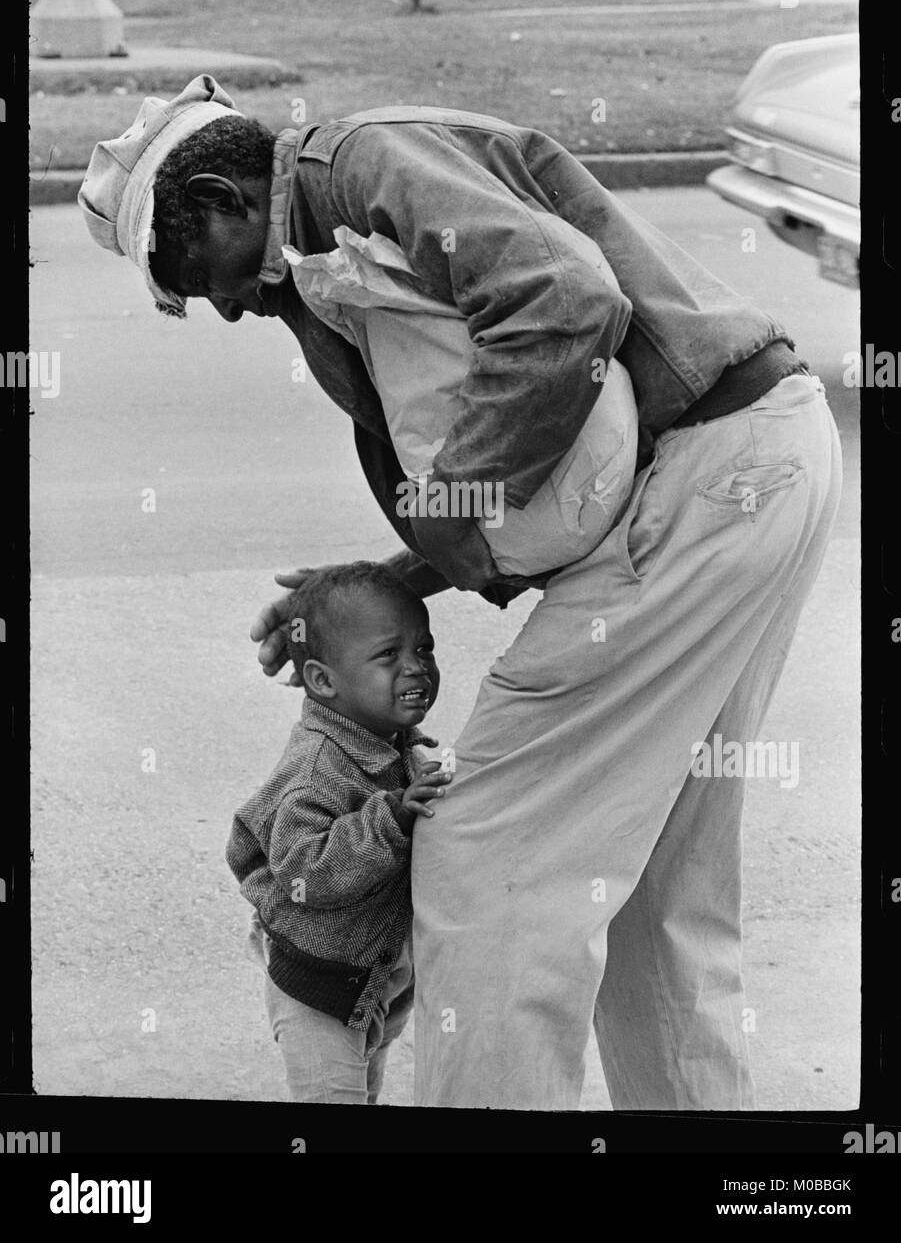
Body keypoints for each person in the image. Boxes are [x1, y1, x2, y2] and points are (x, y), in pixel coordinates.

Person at [78, 76, 843, 1110]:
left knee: (489, 861)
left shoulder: (357, 166)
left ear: (221, 197)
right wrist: (397, 577)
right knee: (655, 888)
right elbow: (533, 432)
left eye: (188, 271)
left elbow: (564, 303)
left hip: (711, 480)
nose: (216, 303)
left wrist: (447, 494)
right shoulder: (329, 211)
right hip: (759, 459)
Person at [225, 561, 447, 1104]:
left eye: (424, 649)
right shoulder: (316, 769)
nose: (416, 668)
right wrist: (389, 819)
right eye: (388, 655)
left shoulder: (393, 740)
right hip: (320, 993)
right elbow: (307, 871)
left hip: (375, 983)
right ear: (324, 680)